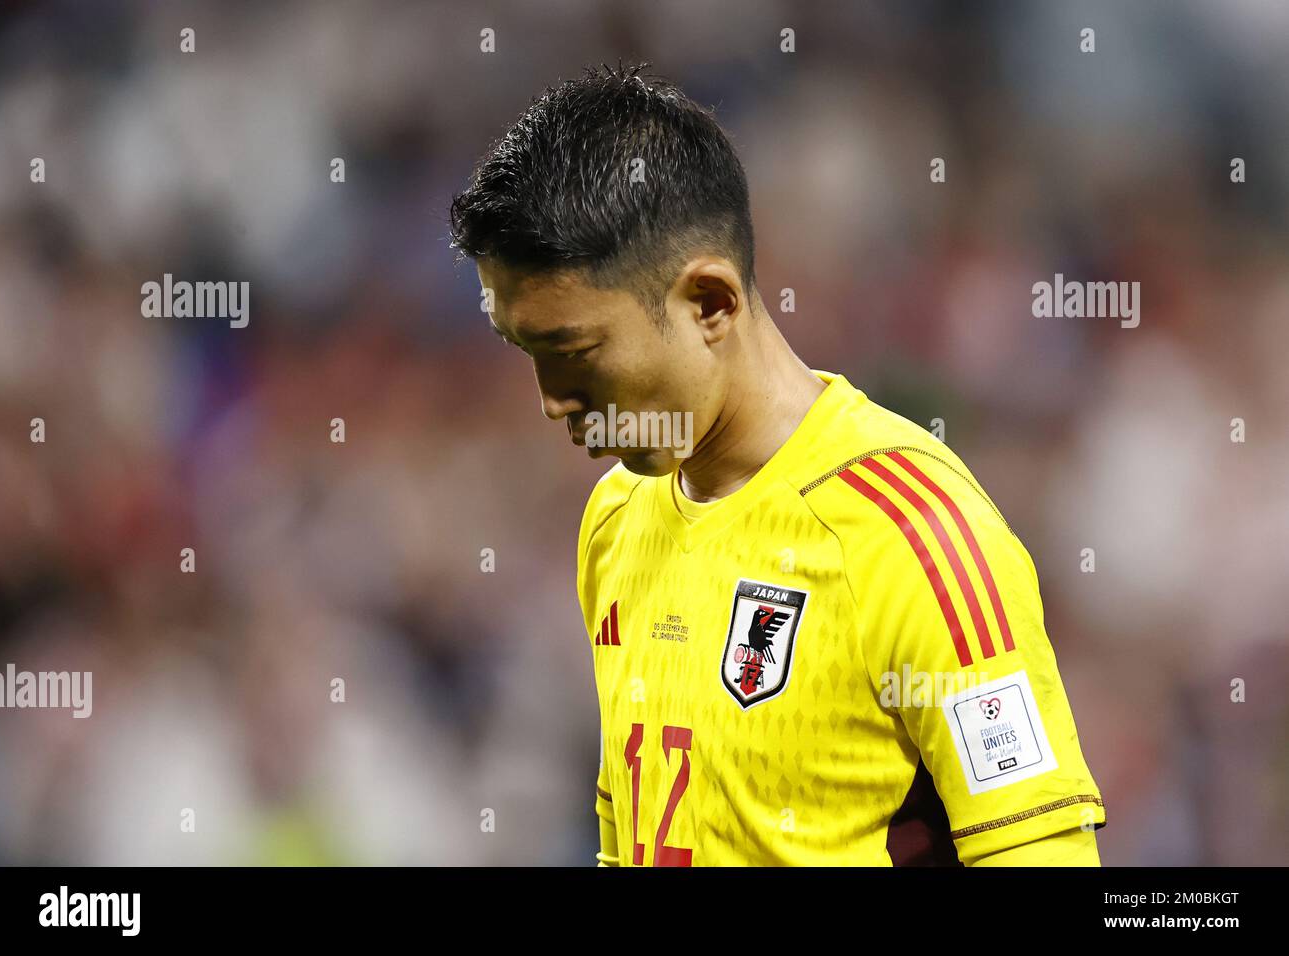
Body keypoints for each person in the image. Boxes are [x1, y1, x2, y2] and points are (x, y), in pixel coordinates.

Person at [449, 62, 1105, 866]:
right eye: (524, 351)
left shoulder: (912, 532)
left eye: (573, 350)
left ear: (711, 304)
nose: (552, 400)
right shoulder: (616, 521)